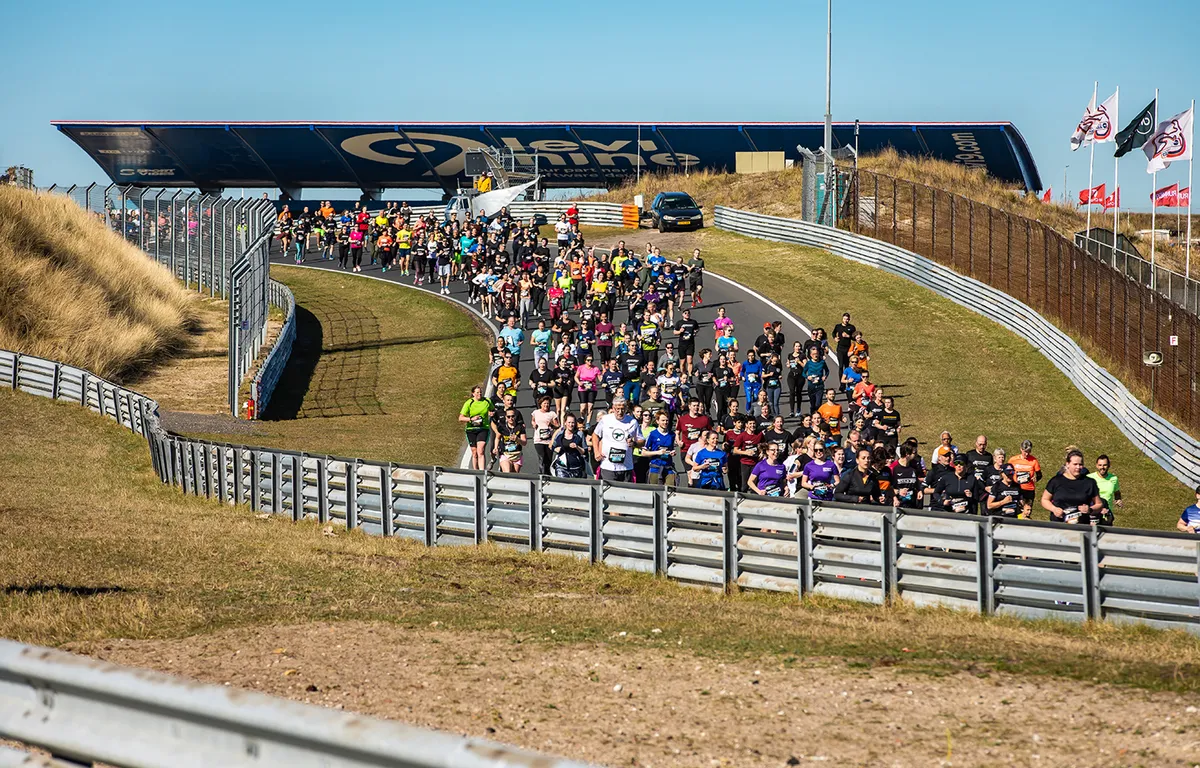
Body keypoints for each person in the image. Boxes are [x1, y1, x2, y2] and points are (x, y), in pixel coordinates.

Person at [1041, 449, 1103, 524]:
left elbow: (1099, 504)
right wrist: (1054, 509)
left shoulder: (1089, 482)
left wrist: (1089, 509)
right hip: (1058, 525)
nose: (1078, 467)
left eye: (1080, 464)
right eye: (1075, 464)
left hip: (1081, 526)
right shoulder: (1056, 481)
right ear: (1067, 464)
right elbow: (1044, 500)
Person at [592, 397, 641, 482]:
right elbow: (595, 435)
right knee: (608, 490)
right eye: (617, 409)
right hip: (608, 466)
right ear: (613, 408)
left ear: (626, 408)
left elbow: (642, 441)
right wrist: (596, 452)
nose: (620, 412)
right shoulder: (605, 419)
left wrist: (634, 444)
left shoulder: (632, 422)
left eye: (622, 409)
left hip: (626, 466)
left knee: (625, 490)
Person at [458, 386, 492, 471]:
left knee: (481, 450)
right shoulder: (469, 403)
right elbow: (461, 418)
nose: (479, 394)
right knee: (474, 452)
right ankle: (475, 471)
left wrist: (491, 413)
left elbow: (493, 409)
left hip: (483, 428)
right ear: (473, 393)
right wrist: (471, 419)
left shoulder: (487, 401)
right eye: (477, 392)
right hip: (471, 429)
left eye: (480, 392)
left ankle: (482, 472)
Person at [644, 411, 677, 486]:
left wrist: (672, 452)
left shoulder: (672, 434)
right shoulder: (652, 434)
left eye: (667, 420)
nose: (665, 422)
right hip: (655, 467)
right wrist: (658, 452)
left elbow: (671, 449)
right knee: (655, 490)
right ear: (657, 421)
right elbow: (644, 452)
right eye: (663, 420)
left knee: (670, 489)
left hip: (668, 467)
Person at [551, 413, 588, 478]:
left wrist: (577, 447)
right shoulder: (560, 434)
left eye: (573, 423)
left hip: (576, 467)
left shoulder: (580, 434)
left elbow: (585, 451)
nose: (571, 425)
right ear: (565, 423)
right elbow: (552, 446)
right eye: (569, 422)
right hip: (561, 467)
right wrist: (556, 449)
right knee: (562, 484)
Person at [530, 397, 560, 475]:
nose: (546, 405)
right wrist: (534, 424)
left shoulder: (552, 414)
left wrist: (552, 424)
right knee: (542, 457)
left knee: (548, 459)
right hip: (538, 440)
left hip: (549, 441)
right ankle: (542, 475)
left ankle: (548, 475)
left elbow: (558, 426)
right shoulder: (536, 412)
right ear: (541, 404)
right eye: (544, 403)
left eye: (548, 403)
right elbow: (532, 420)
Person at [493, 408, 527, 473]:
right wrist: (495, 447)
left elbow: (524, 442)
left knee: (514, 476)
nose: (511, 418)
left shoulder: (520, 427)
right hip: (505, 454)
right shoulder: (502, 427)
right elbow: (497, 437)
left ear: (515, 417)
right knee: (507, 472)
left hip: (517, 455)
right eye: (508, 417)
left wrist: (517, 439)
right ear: (506, 417)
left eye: (512, 416)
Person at [1010, 439, 1043, 506]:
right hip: (1015, 488)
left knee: (1027, 509)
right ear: (1021, 449)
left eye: (1029, 452)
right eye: (1025, 452)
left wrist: (1036, 478)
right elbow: (1007, 472)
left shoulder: (1034, 460)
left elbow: (1039, 475)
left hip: (1029, 489)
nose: (1027, 454)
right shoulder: (1013, 460)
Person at [801, 346, 827, 415]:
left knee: (818, 404)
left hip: (820, 386)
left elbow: (827, 371)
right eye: (813, 354)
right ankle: (812, 416)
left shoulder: (822, 362)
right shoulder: (809, 363)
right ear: (810, 355)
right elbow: (803, 373)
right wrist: (807, 377)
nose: (815, 355)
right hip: (811, 386)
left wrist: (825, 376)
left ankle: (819, 416)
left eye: (816, 354)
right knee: (813, 404)